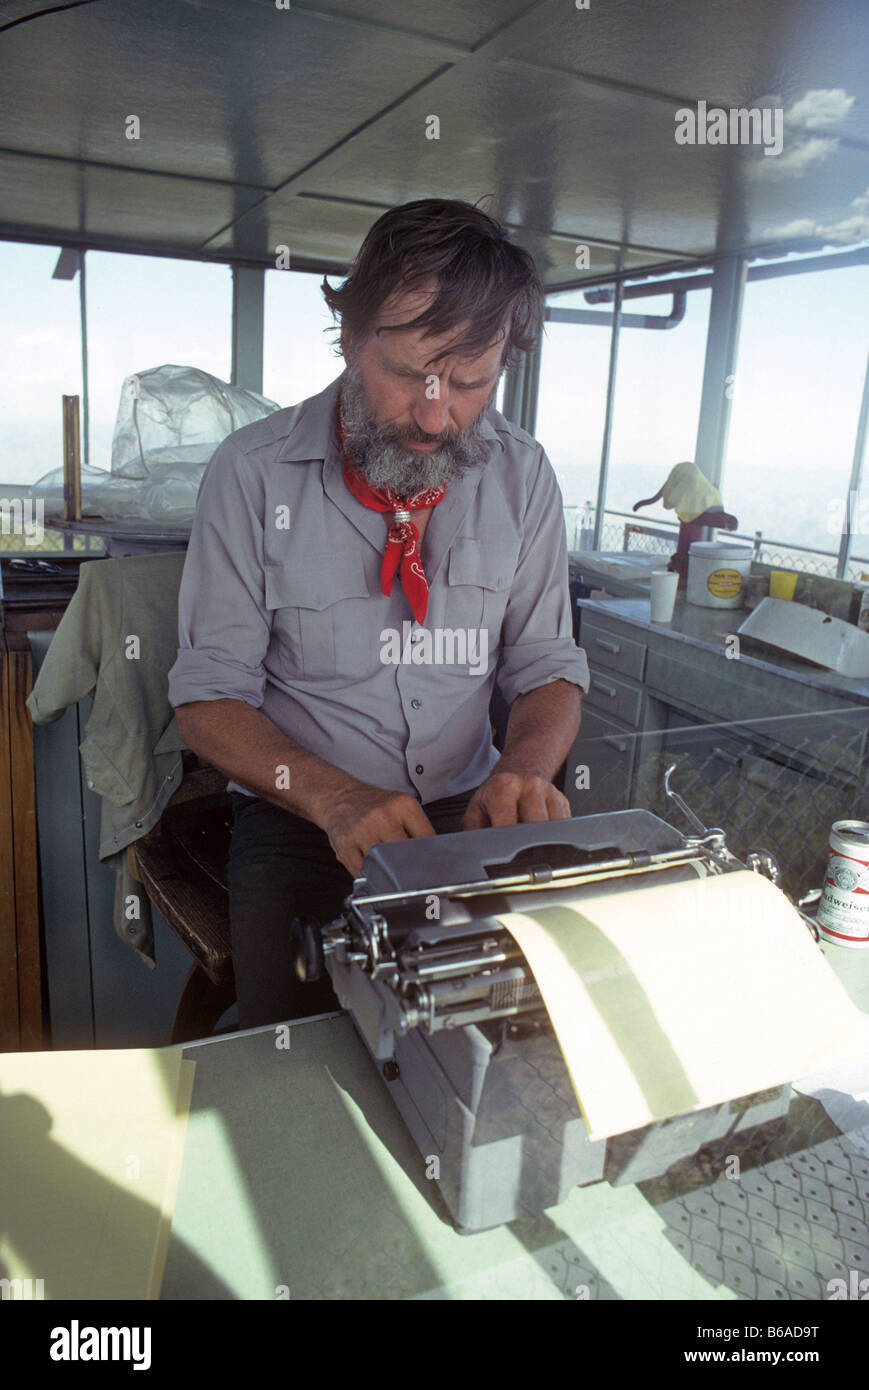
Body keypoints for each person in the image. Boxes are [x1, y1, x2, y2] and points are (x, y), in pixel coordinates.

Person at [168, 198, 590, 1028]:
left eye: (470, 383)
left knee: (511, 1029)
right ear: (347, 337)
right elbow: (207, 700)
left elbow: (546, 666)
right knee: (297, 1044)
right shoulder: (253, 475)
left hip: (465, 814)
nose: (437, 416)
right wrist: (331, 799)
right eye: (408, 374)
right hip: (302, 814)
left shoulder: (523, 475)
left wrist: (527, 768)